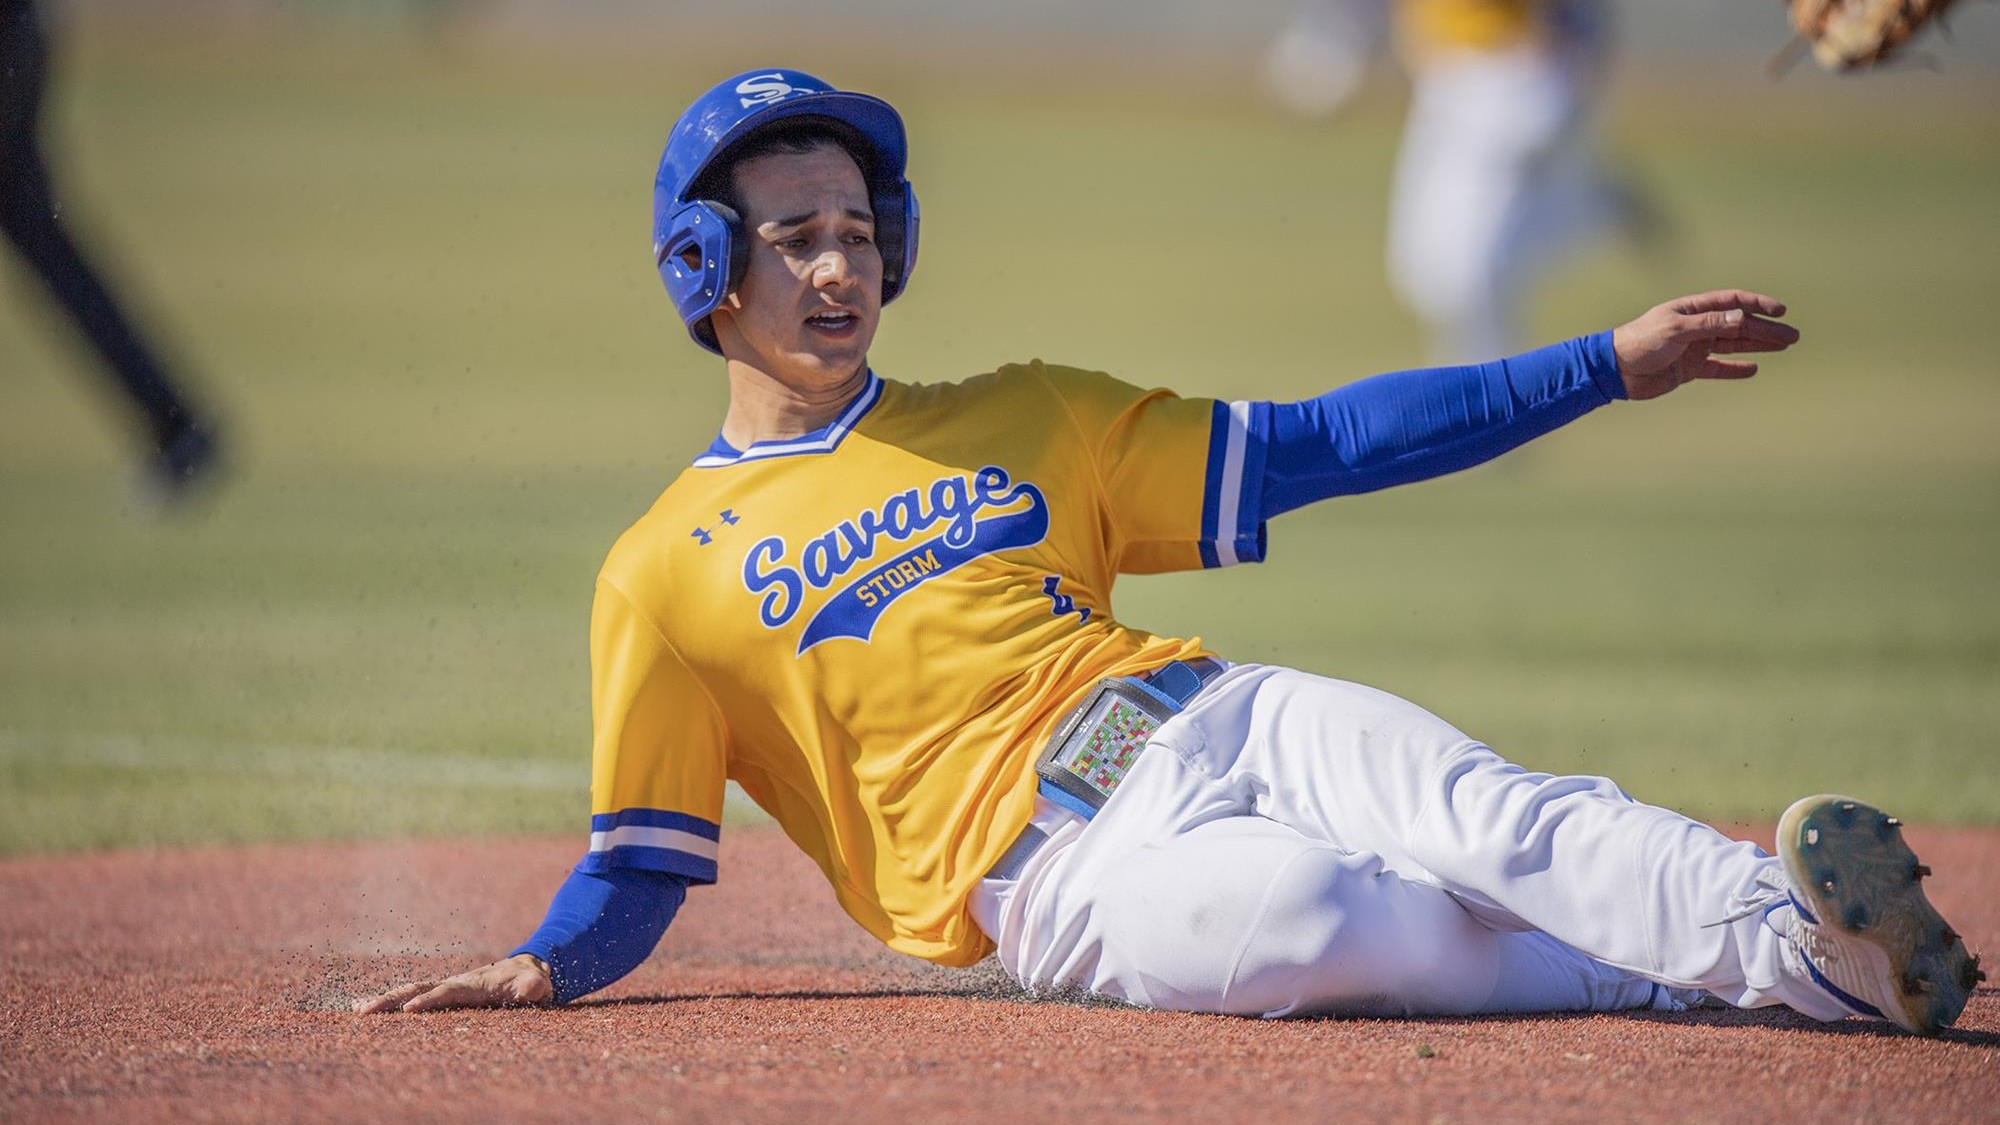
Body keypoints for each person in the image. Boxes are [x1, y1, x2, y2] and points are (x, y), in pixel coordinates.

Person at [356, 68, 1980, 1034]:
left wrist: (1598, 367)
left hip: (1210, 714)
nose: (838, 266)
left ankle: (1810, 948)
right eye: (795, 238)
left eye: (859, 229)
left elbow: (1326, 440)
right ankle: (1796, 979)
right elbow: (644, 863)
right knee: (1344, 915)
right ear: (706, 270)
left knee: (1495, 814)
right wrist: (543, 966)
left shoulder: (1023, 413)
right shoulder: (660, 568)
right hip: (1059, 879)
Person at [1266, 0, 1661, 366]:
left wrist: (1576, 74)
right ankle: (1584, 209)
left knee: (1468, 278)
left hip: (1514, 82)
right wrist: (1340, 40)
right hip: (1443, 85)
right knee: (1420, 271)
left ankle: (1495, 417)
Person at [2, 0, 221, 503]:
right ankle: (175, 425)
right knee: (48, 247)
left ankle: (175, 425)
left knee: (48, 245)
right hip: (22, 35)